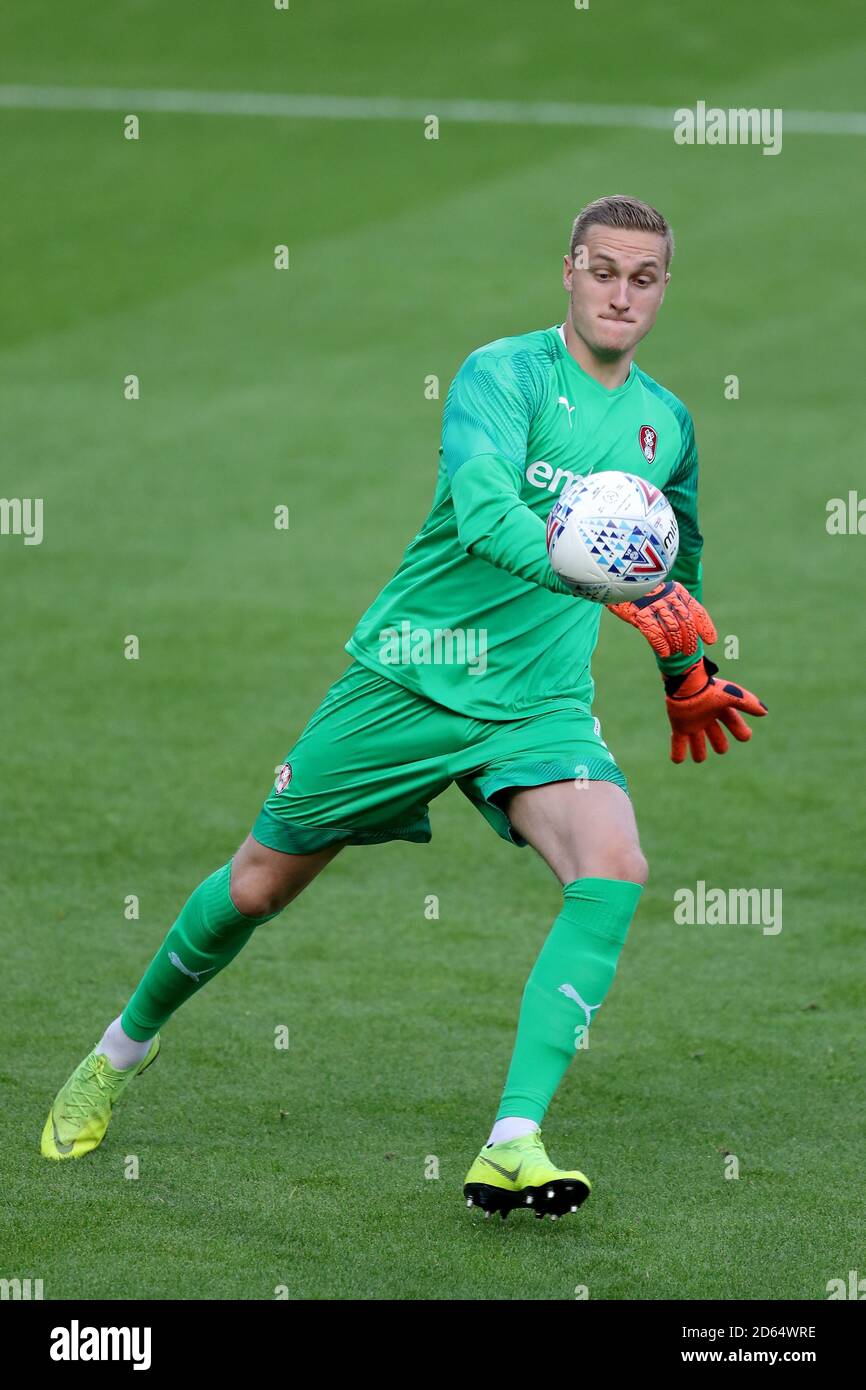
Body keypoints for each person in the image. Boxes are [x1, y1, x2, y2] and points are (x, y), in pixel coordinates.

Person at [41, 194, 766, 1223]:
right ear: (566, 269)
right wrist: (610, 588)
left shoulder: (667, 424)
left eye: (640, 277)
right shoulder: (502, 376)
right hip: (410, 675)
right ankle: (120, 1049)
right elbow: (482, 513)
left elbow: (670, 564)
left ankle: (513, 1138)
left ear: (661, 289)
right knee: (255, 887)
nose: (618, 294)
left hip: (538, 705)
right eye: (600, 270)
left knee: (613, 865)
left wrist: (684, 670)